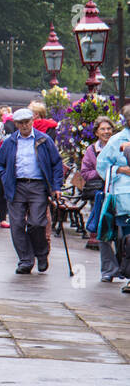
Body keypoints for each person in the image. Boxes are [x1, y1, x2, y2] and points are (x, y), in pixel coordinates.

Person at [0, 107, 64, 274]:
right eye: (20, 123)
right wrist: (5, 176)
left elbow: (56, 164)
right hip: (16, 186)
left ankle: (41, 253)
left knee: (37, 223)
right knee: (16, 224)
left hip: (38, 186)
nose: (24, 126)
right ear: (16, 124)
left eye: (27, 122)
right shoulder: (10, 141)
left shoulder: (43, 140)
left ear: (32, 121)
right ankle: (25, 260)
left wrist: (56, 186)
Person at [95, 106, 130, 293]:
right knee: (127, 236)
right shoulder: (117, 141)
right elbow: (102, 166)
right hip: (124, 197)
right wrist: (119, 170)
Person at [81, 116, 121, 278]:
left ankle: (122, 266)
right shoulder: (91, 150)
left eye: (109, 129)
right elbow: (85, 173)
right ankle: (108, 270)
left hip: (119, 193)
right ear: (96, 132)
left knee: (120, 233)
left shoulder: (120, 146)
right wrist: (103, 171)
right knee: (103, 233)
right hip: (100, 195)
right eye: (103, 129)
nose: (106, 132)